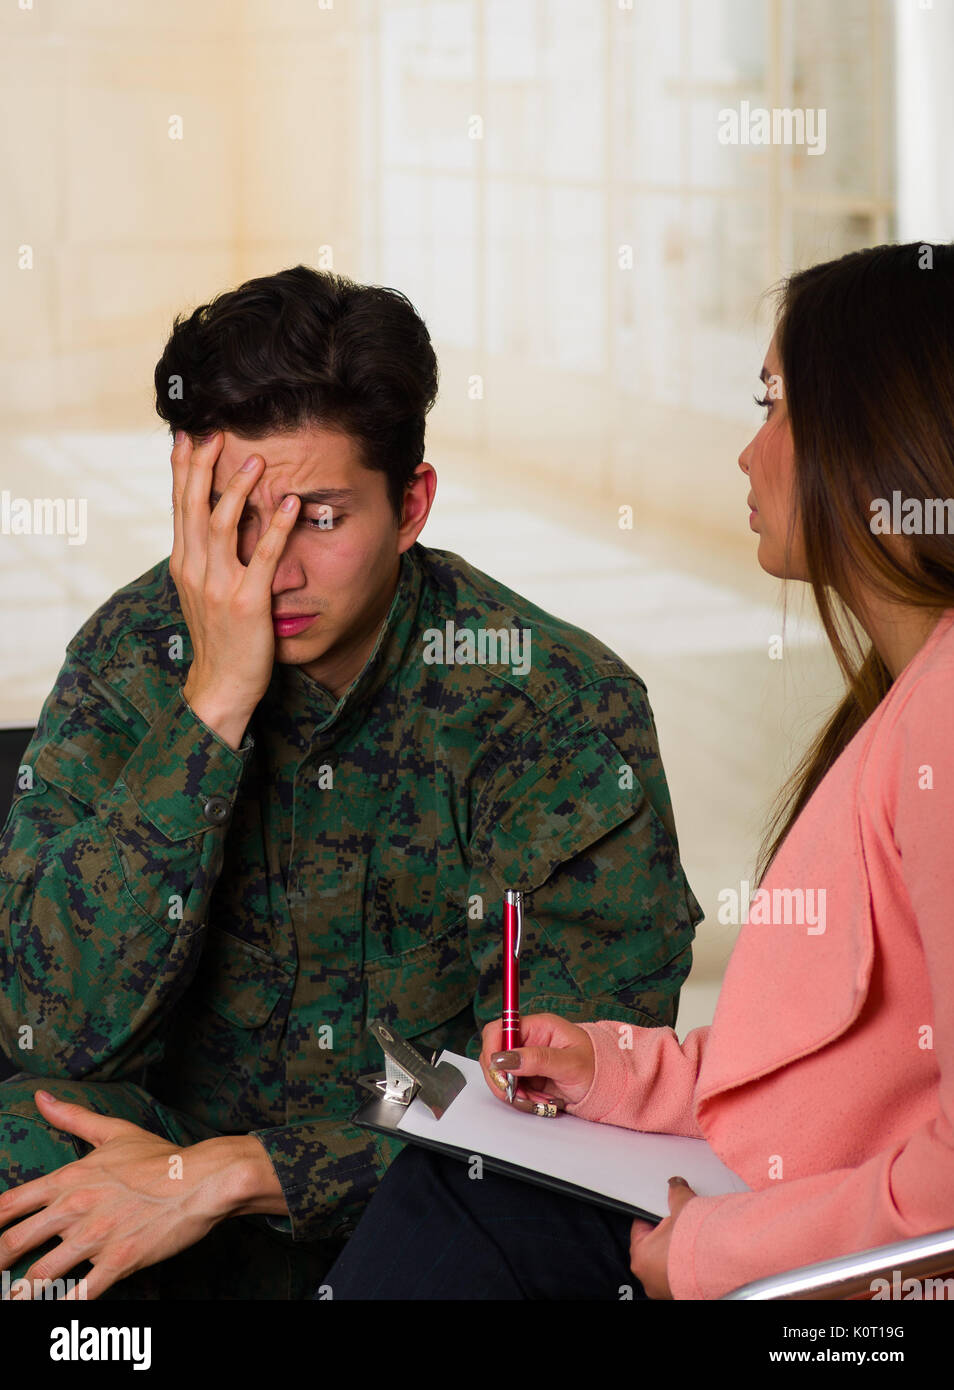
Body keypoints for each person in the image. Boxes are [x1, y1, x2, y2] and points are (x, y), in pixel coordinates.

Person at [0, 266, 701, 1299]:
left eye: (318, 518)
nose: (268, 567)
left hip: (421, 1191)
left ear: (410, 505)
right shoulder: (130, 655)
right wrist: (212, 706)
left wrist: (242, 1173)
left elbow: (568, 1109)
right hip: (158, 1160)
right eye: (229, 511)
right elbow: (50, 1030)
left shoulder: (553, 708)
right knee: (24, 1140)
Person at [321, 240, 954, 1300]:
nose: (747, 456)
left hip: (809, 1274)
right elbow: (836, 1081)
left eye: (773, 406)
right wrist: (612, 1070)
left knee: (468, 1204)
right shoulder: (904, 707)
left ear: (875, 431)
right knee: (462, 1177)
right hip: (771, 1213)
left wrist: (711, 1253)